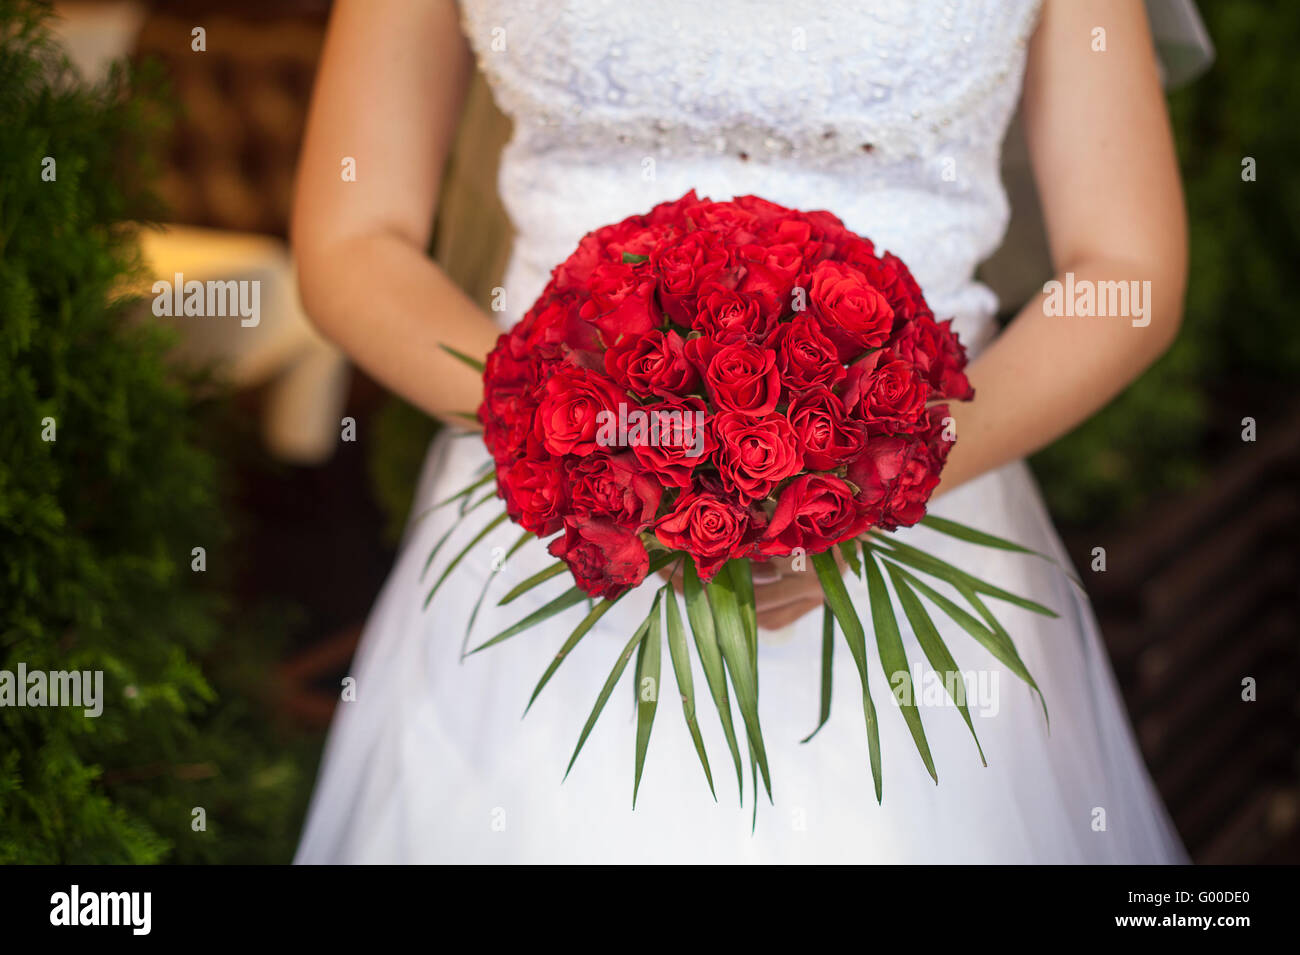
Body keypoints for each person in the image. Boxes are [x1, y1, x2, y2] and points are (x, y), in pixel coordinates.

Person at [291, 0, 1188, 863]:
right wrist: (575, 439)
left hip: (930, 504)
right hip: (554, 539)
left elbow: (1126, 267)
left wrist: (868, 477)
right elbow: (354, 236)